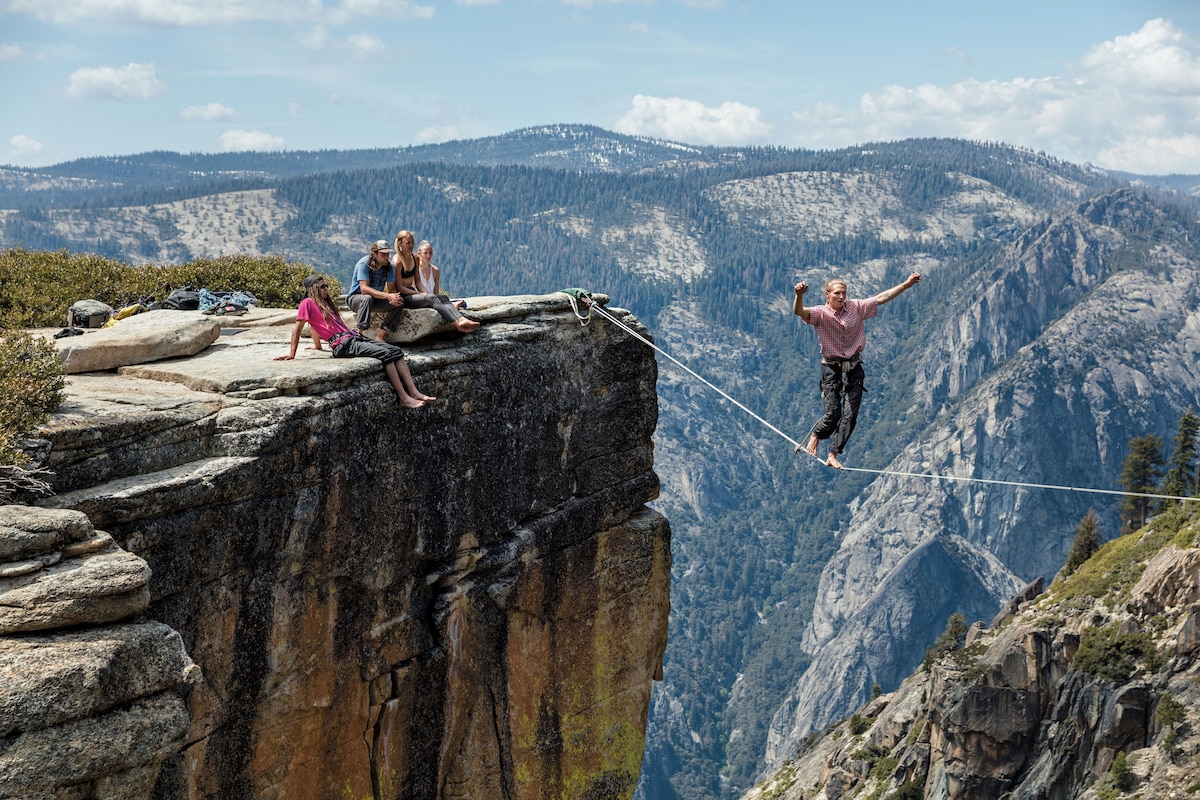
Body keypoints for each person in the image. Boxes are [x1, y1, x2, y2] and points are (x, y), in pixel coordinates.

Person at [794, 272, 921, 468]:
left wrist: (906, 284)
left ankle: (833, 453)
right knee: (834, 413)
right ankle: (817, 435)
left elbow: (881, 298)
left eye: (844, 293)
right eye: (837, 293)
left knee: (851, 414)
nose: (841, 297)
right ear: (827, 295)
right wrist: (799, 295)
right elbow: (799, 312)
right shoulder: (820, 313)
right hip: (831, 367)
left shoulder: (856, 308)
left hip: (854, 366)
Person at [276, 275, 434, 409]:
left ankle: (414, 392)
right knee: (386, 355)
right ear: (312, 289)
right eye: (322, 287)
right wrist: (292, 354)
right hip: (342, 345)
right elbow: (298, 328)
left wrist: (317, 346)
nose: (326, 289)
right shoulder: (307, 303)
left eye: (326, 286)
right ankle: (404, 397)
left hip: (352, 338)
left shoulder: (326, 304)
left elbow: (315, 327)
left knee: (396, 351)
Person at [393, 231, 479, 333]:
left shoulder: (415, 258)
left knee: (443, 297)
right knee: (431, 298)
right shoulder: (397, 261)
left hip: (412, 292)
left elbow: (418, 281)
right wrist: (420, 294)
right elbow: (399, 287)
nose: (411, 245)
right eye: (408, 243)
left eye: (412, 242)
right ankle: (458, 322)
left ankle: (460, 320)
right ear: (400, 244)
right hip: (403, 296)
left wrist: (424, 293)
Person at [346, 240, 405, 342]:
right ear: (374, 253)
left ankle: (380, 335)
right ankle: (359, 334)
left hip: (375, 300)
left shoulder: (390, 268)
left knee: (399, 302)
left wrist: (394, 298)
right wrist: (387, 296)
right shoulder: (364, 264)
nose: (387, 257)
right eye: (383, 254)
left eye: (388, 254)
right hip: (356, 299)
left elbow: (391, 290)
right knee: (367, 298)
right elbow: (364, 289)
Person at [414, 240, 467, 310]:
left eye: (430, 253)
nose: (428, 256)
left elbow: (436, 291)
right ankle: (451, 306)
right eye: (425, 253)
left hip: (433, 299)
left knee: (463, 303)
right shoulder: (415, 270)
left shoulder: (435, 270)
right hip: (421, 298)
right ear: (419, 253)